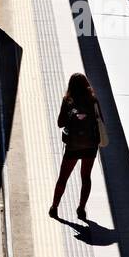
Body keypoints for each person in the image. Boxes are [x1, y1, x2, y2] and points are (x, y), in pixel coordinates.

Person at [49, 73, 105, 220]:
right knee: (86, 177)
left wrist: (71, 116)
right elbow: (101, 121)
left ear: (71, 86)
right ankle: (81, 209)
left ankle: (54, 208)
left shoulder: (68, 101)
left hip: (73, 145)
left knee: (63, 178)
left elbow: (60, 123)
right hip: (90, 146)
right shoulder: (93, 100)